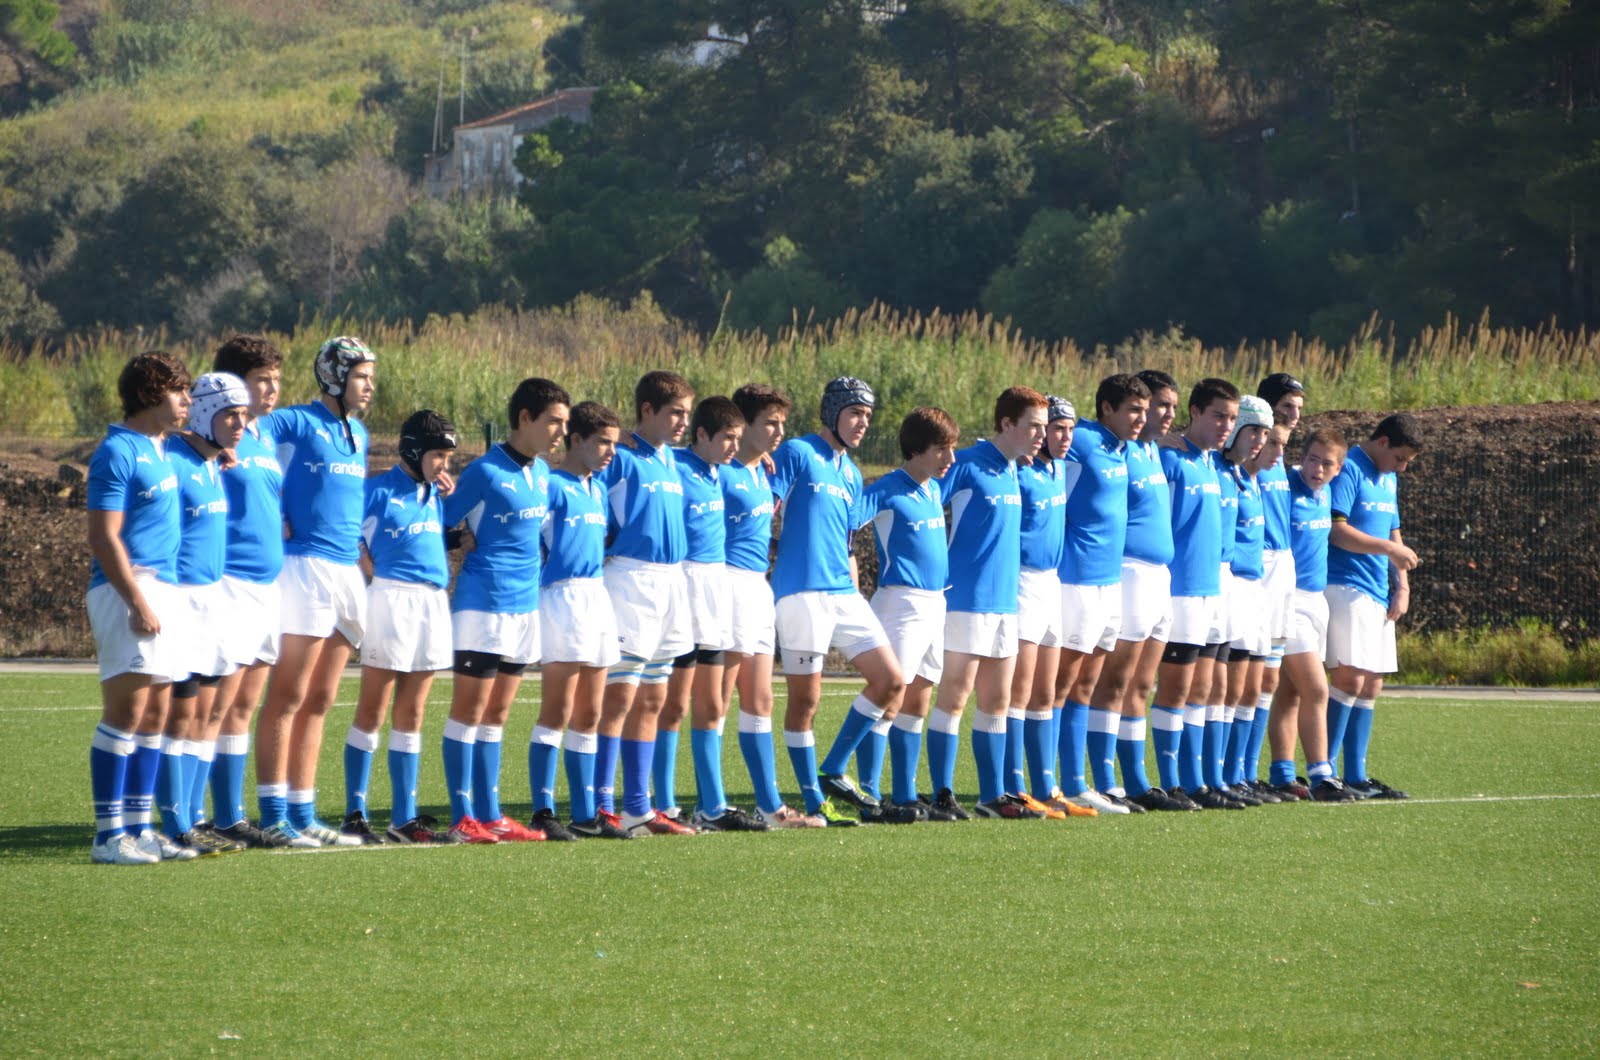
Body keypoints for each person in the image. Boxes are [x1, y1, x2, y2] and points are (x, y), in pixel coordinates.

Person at [424, 378, 568, 846]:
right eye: (553, 421)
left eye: (566, 424)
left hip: (526, 607)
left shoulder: (544, 473)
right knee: (469, 711)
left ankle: (491, 813)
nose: (560, 432)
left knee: (499, 713)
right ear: (525, 418)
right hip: (482, 605)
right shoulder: (485, 472)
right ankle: (462, 816)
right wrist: (454, 540)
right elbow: (434, 521)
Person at [254, 336, 376, 847]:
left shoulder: (360, 433)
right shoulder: (293, 422)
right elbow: (242, 439)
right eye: (361, 376)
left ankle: (304, 815)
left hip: (348, 572)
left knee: (321, 700)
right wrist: (272, 516)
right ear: (333, 376)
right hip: (304, 566)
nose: (369, 386)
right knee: (288, 696)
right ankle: (273, 816)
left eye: (371, 377)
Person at [772, 377, 904, 826]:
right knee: (804, 703)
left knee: (890, 682)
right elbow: (764, 509)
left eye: (867, 416)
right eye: (855, 413)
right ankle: (813, 801)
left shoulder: (850, 472)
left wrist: (855, 592)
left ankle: (832, 768)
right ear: (832, 413)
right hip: (801, 593)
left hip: (843, 594)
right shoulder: (796, 452)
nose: (863, 423)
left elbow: (848, 541)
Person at [85, 351, 191, 864]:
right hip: (127, 588)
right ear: (150, 394)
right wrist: (137, 600)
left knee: (155, 714)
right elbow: (104, 538)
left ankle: (140, 828)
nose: (187, 401)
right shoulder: (117, 451)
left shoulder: (161, 446)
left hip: (163, 588)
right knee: (126, 713)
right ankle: (108, 836)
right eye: (178, 391)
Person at [926, 387, 1049, 820]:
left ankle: (992, 795)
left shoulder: (1015, 468)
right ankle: (942, 792)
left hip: (1005, 604)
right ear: (1006, 424)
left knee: (997, 702)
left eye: (1044, 426)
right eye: (1033, 425)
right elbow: (919, 497)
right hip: (966, 600)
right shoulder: (966, 464)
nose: (1042, 434)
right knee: (954, 699)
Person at [651, 396, 769, 832]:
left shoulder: (720, 470)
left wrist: (759, 455)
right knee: (674, 703)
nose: (735, 448)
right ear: (702, 435)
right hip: (684, 584)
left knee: (713, 701)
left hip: (716, 586)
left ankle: (712, 805)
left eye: (739, 439)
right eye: (727, 439)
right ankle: (663, 802)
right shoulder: (675, 466)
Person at [342, 412, 461, 843]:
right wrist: (369, 568)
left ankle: (403, 817)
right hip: (391, 598)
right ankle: (355, 812)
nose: (443, 464)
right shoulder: (375, 490)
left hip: (432, 601)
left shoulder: (437, 493)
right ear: (413, 451)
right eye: (437, 455)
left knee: (412, 713)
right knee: (373, 709)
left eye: (447, 456)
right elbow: (345, 530)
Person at [596, 371, 699, 837]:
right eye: (675, 412)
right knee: (619, 694)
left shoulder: (674, 461)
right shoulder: (619, 458)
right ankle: (600, 805)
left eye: (687, 413)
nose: (683, 421)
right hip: (630, 578)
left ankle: (638, 808)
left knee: (655, 697)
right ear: (647, 411)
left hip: (672, 582)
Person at [156, 372, 252, 857]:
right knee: (182, 714)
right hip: (182, 600)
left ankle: (192, 816)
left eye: (243, 415)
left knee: (210, 711)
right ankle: (174, 823)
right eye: (229, 414)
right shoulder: (174, 463)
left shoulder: (210, 462)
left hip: (214, 598)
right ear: (201, 414)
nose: (240, 423)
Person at [720, 385, 823, 828]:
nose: (780, 432)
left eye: (783, 423)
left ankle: (770, 806)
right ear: (742, 425)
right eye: (770, 423)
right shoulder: (715, 471)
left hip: (758, 589)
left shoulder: (765, 471)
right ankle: (709, 804)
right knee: (712, 703)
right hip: (722, 587)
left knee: (760, 699)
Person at [855, 407, 959, 821]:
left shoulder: (932, 488)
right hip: (901, 603)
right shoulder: (888, 488)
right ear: (917, 450)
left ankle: (904, 793)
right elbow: (846, 520)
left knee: (918, 699)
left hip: (936, 603)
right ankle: (868, 793)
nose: (949, 459)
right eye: (941, 450)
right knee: (888, 699)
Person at [532, 402, 630, 839]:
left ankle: (586, 812)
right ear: (576, 441)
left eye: (614, 442)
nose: (611, 451)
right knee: (557, 710)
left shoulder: (596, 487)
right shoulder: (551, 485)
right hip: (560, 598)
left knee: (591, 712)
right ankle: (543, 808)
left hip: (597, 597)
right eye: (602, 442)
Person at [1053, 374, 1149, 816]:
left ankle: (1081, 781)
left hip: (1110, 583)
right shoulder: (1084, 440)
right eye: (1132, 409)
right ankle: (1054, 782)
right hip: (1077, 580)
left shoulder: (1123, 449)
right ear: (1106, 408)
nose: (1140, 419)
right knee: (1062, 685)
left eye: (1144, 410)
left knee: (1087, 685)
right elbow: (1037, 459)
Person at [206, 336, 286, 848]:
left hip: (267, 587)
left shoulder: (263, 439)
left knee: (243, 708)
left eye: (277, 379)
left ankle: (232, 816)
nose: (273, 389)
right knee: (215, 706)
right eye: (263, 379)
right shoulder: (211, 443)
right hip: (229, 583)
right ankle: (195, 815)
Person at [1152, 377, 1242, 810]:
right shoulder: (1171, 460)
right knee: (1175, 690)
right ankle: (1172, 781)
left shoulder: (1212, 464)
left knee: (1203, 690)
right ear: (1194, 413)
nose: (1226, 425)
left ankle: (1199, 779)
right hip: (1180, 589)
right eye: (1217, 416)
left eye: (1231, 418)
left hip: (1211, 590)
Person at [1103, 370, 1191, 812]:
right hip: (1129, 574)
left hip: (1160, 577)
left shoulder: (1155, 452)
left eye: (1171, 406)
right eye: (1159, 405)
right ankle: (1107, 779)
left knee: (1142, 684)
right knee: (1115, 681)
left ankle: (1138, 780)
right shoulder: (1117, 452)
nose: (1166, 414)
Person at [1324, 413, 1423, 799]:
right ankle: (1325, 771)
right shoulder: (1350, 467)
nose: (1401, 467)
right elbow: (1337, 529)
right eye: (1399, 458)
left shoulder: (1389, 476)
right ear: (1382, 443)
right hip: (1346, 584)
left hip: (1379, 590)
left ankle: (1357, 775)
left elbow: (1392, 528)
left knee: (1372, 683)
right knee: (1350, 676)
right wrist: (1387, 549)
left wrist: (1403, 584)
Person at [1266, 427, 1357, 802]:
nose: (1317, 468)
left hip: (1315, 600)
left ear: (1339, 469)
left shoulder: (1329, 493)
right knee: (1317, 688)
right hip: (1289, 600)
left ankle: (1282, 774)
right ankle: (1322, 775)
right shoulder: (1286, 486)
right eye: (1312, 459)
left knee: (1291, 693)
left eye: (1327, 463)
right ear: (1301, 457)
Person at [1009, 397, 1078, 817]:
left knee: (1046, 693)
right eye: (1056, 428)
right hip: (1021, 583)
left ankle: (1046, 786)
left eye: (1069, 429)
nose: (1063, 437)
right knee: (1018, 691)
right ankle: (1013, 786)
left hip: (1052, 584)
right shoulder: (1018, 470)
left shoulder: (1058, 467)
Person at [1214, 396, 1278, 803]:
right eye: (1254, 430)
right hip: (1232, 585)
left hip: (1255, 588)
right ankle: (1218, 773)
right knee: (1230, 686)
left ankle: (1237, 772)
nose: (1260, 440)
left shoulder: (1247, 478)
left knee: (1251, 685)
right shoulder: (1222, 473)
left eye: (1265, 433)